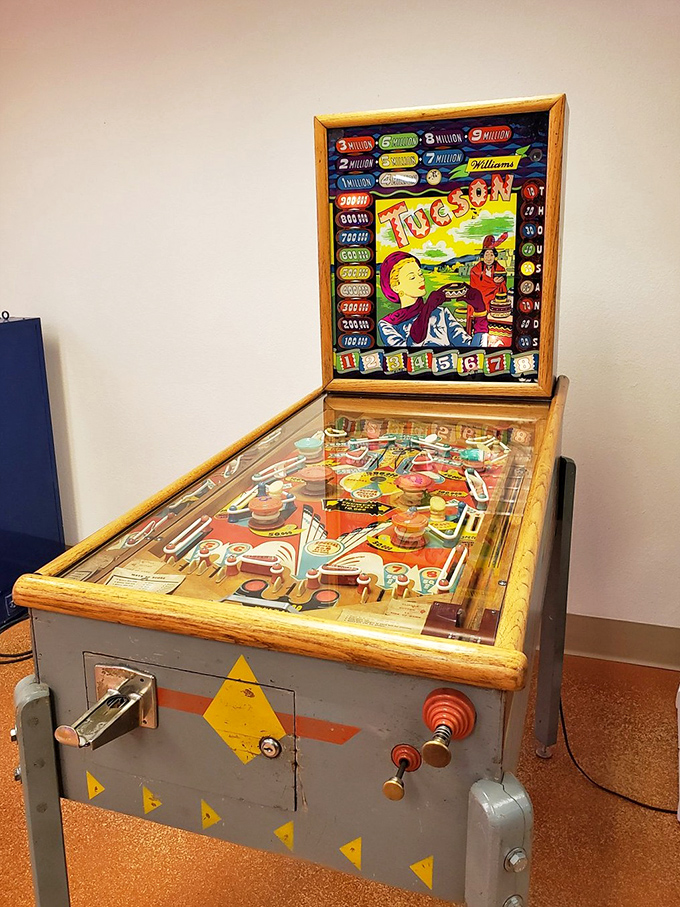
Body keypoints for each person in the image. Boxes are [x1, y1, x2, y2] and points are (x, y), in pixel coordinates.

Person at [378, 251, 473, 348]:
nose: (421, 279)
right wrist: (427, 309)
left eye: (420, 274)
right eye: (412, 277)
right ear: (395, 287)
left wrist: (480, 310)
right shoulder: (387, 325)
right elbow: (408, 353)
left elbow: (471, 347)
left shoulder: (442, 313)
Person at [470, 234, 509, 345]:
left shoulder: (500, 269)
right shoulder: (475, 270)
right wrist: (494, 283)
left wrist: (499, 284)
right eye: (486, 254)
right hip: (480, 304)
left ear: (494, 256)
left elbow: (503, 290)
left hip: (494, 304)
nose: (489, 258)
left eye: (491, 254)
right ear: (483, 256)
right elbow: (476, 289)